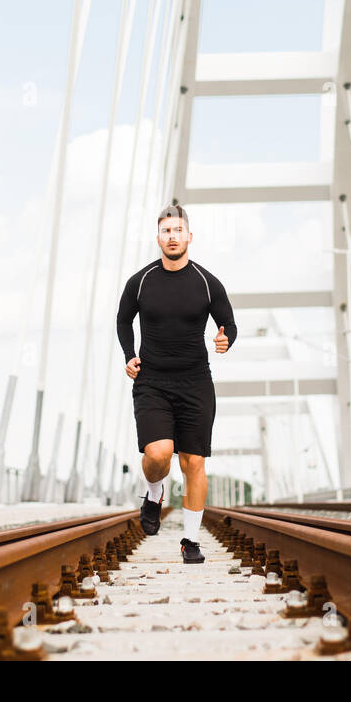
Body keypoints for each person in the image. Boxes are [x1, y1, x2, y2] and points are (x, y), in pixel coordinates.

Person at [116, 204, 237, 563]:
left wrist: (225, 339)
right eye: (166, 231)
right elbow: (123, 321)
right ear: (159, 238)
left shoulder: (206, 282)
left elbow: (228, 323)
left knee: (194, 461)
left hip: (196, 381)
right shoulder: (140, 282)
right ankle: (154, 493)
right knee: (158, 454)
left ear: (189, 236)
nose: (173, 237)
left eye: (178, 230)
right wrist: (129, 354)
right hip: (152, 380)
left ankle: (190, 540)